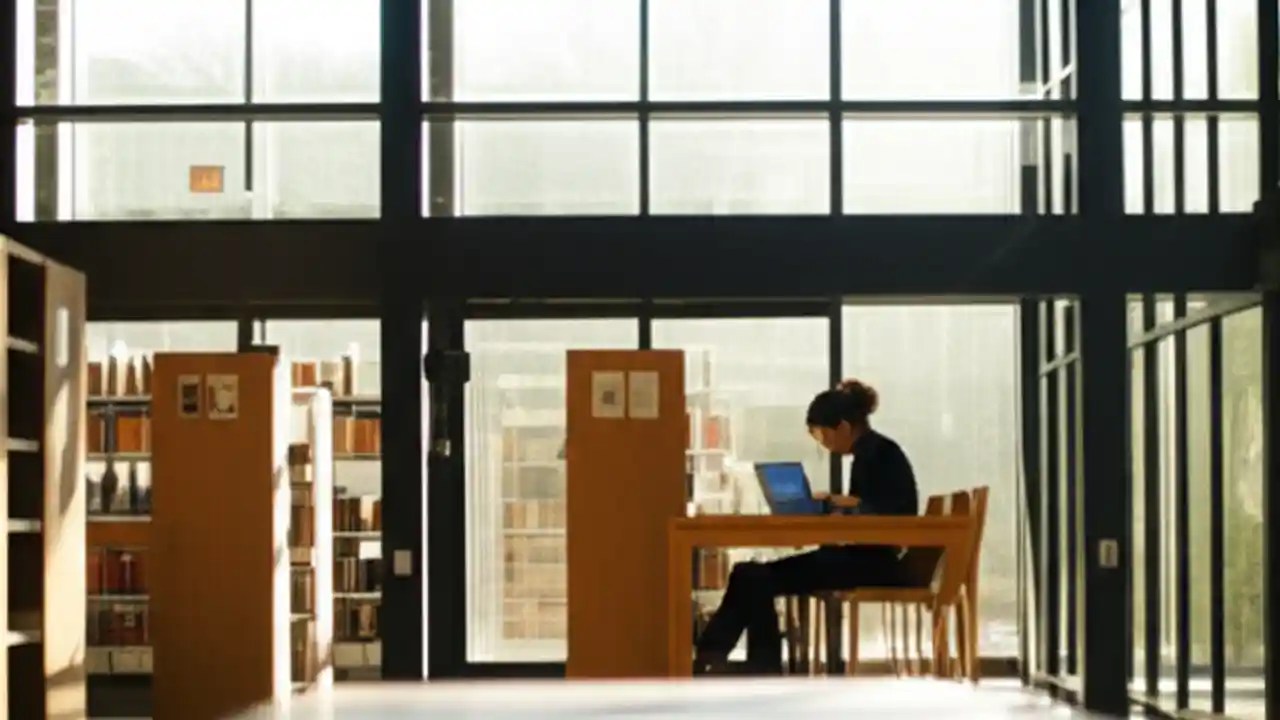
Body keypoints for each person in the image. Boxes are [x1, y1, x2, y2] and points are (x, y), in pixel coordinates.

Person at [693, 379, 920, 675]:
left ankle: (733, 661)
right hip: (863, 559)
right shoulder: (876, 452)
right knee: (751, 575)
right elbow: (871, 509)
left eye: (822, 435)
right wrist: (839, 506)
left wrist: (839, 506)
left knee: (753, 576)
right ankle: (734, 660)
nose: (823, 444)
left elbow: (882, 515)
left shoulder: (878, 455)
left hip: (871, 564)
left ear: (842, 427)